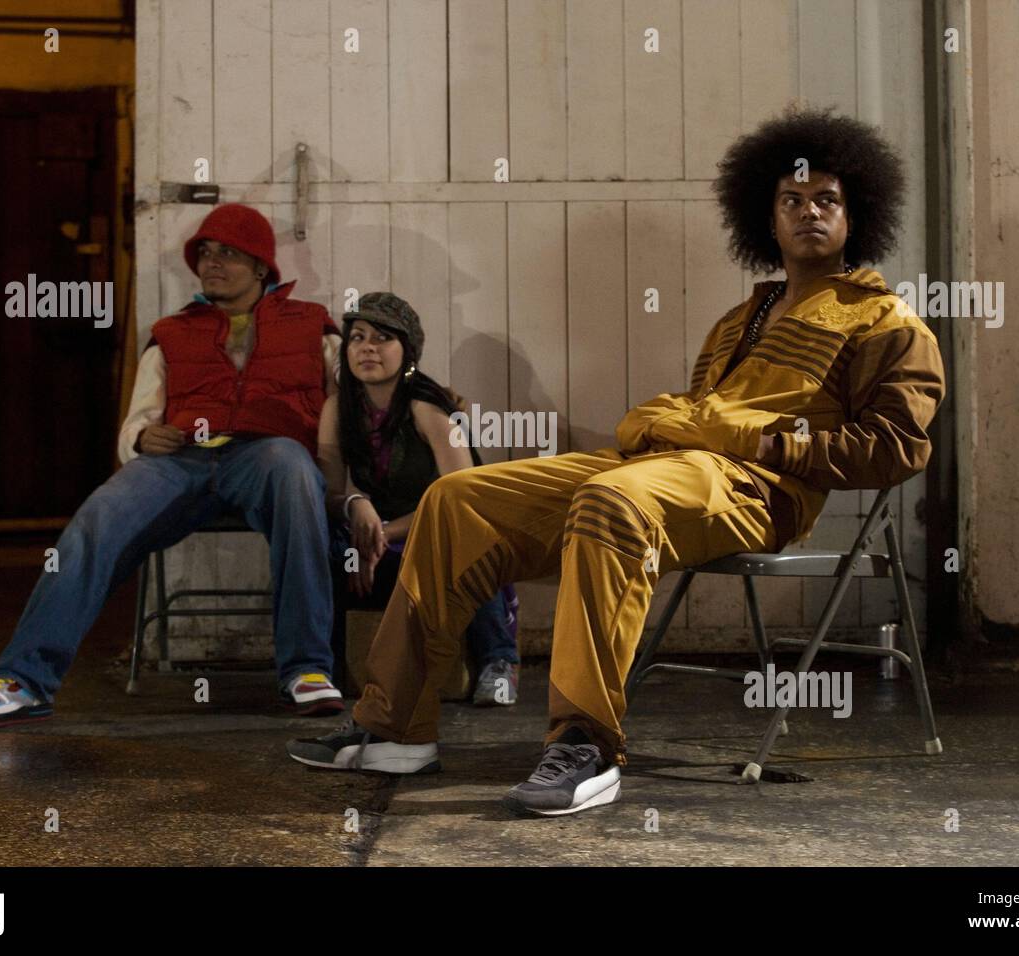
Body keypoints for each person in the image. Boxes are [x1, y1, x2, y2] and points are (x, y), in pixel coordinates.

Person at [287, 106, 947, 816]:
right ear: (767, 217)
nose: (809, 212)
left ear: (857, 215)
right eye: (791, 200)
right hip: (678, 470)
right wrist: (667, 419)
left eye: (827, 200)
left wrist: (763, 442)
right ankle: (395, 728)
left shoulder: (887, 321)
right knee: (459, 499)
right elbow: (699, 418)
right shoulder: (741, 320)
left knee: (614, 503)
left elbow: (897, 449)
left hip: (761, 491)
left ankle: (585, 745)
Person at [0, 203, 347, 726]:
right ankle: (22, 680)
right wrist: (142, 438)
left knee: (295, 470)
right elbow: (134, 423)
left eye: (227, 253)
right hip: (181, 459)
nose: (211, 262)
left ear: (261, 267)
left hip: (266, 454)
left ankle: (306, 669)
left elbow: (365, 397)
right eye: (204, 253)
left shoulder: (313, 326)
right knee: (98, 517)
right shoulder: (171, 333)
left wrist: (428, 399)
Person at [319, 292, 521, 710]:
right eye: (356, 338)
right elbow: (329, 492)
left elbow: (462, 498)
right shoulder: (338, 409)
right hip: (375, 536)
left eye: (382, 338)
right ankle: (330, 669)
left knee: (467, 541)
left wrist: (381, 532)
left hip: (436, 530)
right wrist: (357, 506)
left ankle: (498, 662)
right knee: (325, 550)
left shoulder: (428, 409)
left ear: (407, 350)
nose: (367, 347)